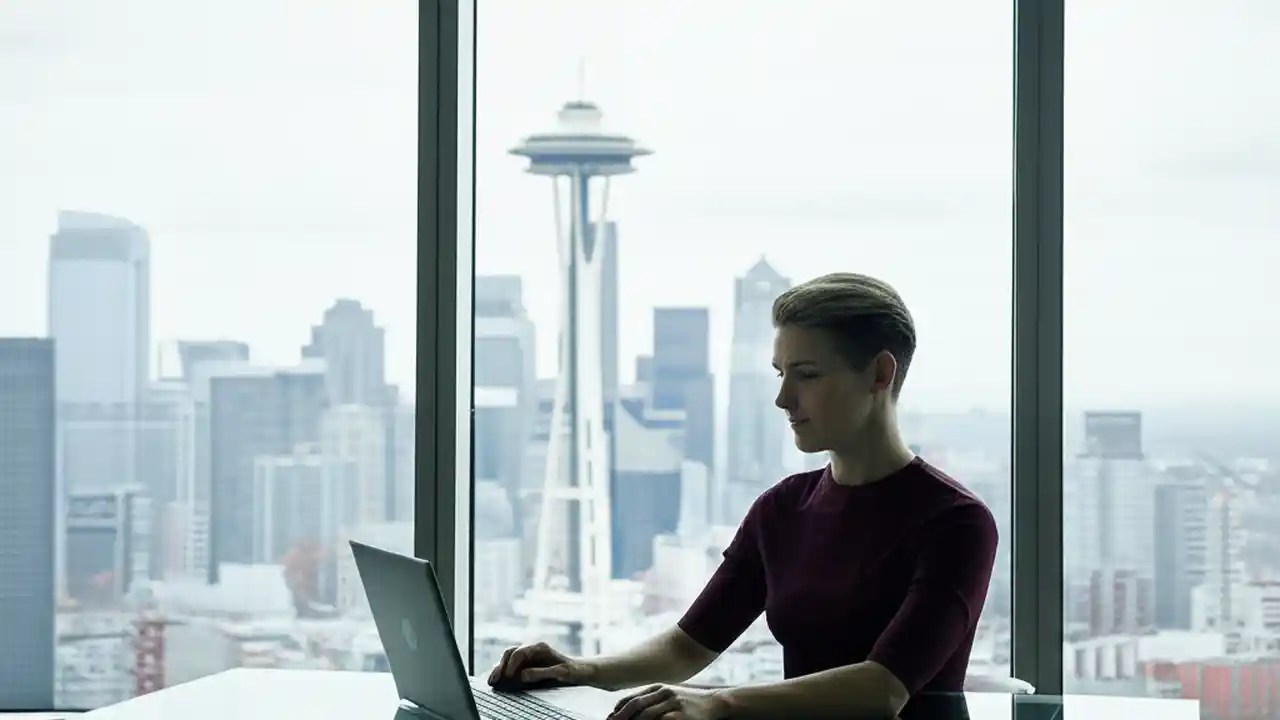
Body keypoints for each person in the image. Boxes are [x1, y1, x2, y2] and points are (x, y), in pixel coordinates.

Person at [488, 273, 998, 720]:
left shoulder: (956, 523)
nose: (783, 399)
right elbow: (686, 648)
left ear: (880, 375)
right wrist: (574, 669)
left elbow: (882, 690)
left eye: (807, 375)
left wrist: (715, 703)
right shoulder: (782, 508)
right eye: (781, 374)